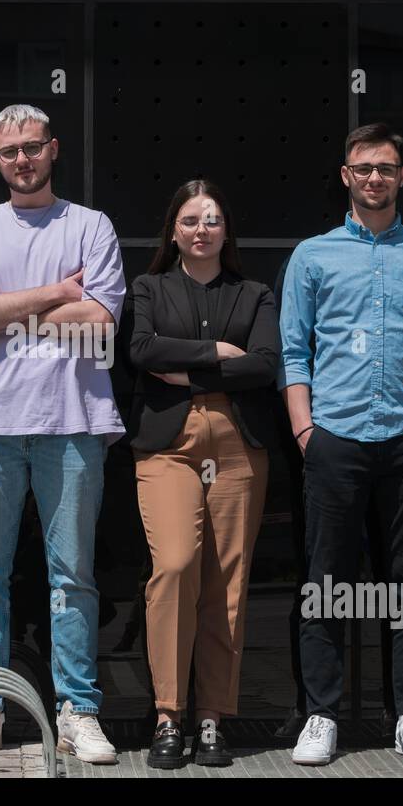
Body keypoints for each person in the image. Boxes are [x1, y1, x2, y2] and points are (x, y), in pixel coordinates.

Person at [0, 104, 125, 765]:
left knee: (72, 576)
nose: (22, 159)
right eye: (10, 151)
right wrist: (53, 293)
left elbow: (100, 324)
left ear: (53, 151)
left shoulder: (90, 225)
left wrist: (6, 308)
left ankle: (78, 711)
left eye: (33, 148)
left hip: (71, 423)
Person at [279, 122, 403, 766]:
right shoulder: (312, 255)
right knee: (325, 580)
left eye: (385, 168)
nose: (374, 178)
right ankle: (321, 714)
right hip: (335, 438)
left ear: (401, 176)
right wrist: (306, 430)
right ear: (345, 176)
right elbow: (293, 353)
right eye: (363, 168)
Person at [127, 179, 278, 768]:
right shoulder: (148, 286)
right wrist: (219, 354)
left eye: (213, 220)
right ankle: (169, 714)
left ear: (225, 232)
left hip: (239, 444)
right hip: (169, 446)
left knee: (227, 584)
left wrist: (187, 370)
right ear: (174, 230)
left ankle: (212, 717)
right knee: (175, 566)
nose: (201, 229)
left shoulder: (255, 292)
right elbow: (141, 350)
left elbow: (266, 365)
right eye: (191, 219)